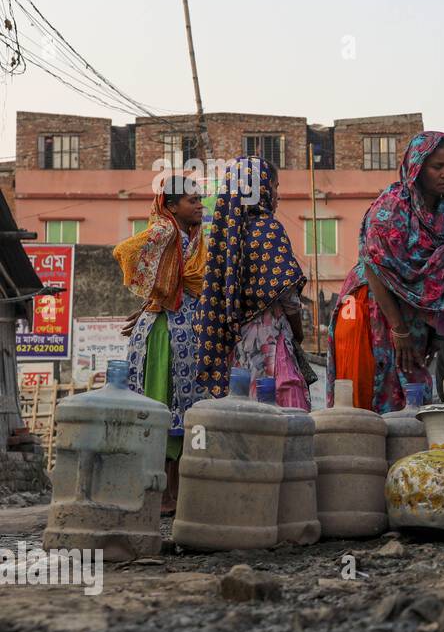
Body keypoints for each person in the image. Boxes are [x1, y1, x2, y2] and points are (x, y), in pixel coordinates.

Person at [328, 131, 444, 412]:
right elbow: (374, 265)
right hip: (371, 309)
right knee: (366, 406)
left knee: (412, 408)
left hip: (416, 328)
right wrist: (399, 330)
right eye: (438, 167)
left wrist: (437, 334)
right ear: (417, 167)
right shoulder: (392, 206)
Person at [113, 172, 208, 511]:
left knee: (185, 406)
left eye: (199, 199)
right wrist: (159, 292)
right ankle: (165, 495)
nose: (199, 205)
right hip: (167, 331)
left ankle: (176, 494)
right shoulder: (165, 229)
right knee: (165, 401)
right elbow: (126, 251)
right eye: (192, 201)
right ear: (172, 206)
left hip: (187, 329)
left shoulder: (193, 236)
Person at [193, 155, 310, 407]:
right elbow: (288, 296)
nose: (278, 195)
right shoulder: (268, 228)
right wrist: (298, 333)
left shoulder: (224, 235)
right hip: (271, 339)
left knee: (245, 412)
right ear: (263, 189)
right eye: (276, 187)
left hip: (237, 344)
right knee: (282, 410)